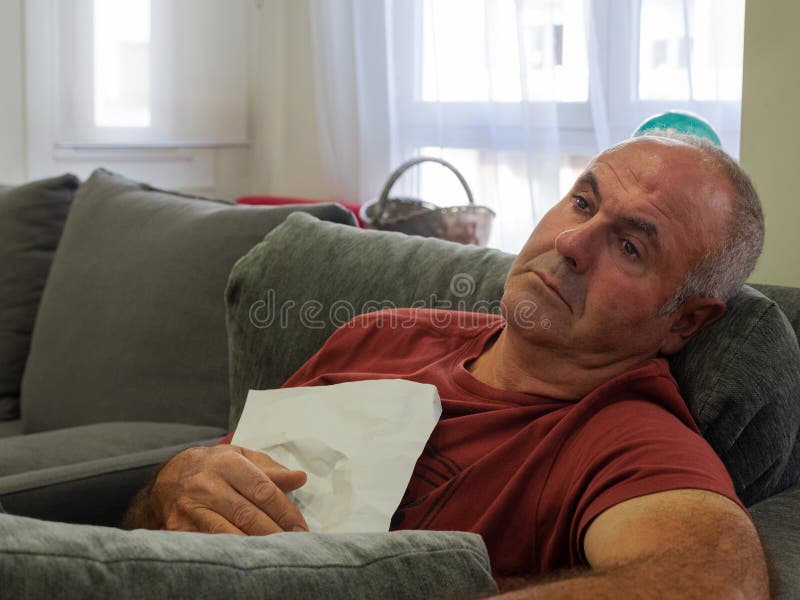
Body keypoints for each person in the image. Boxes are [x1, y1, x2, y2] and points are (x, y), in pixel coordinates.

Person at [123, 134, 769, 598]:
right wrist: (172, 484)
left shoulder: (620, 436)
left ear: (685, 321)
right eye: (581, 203)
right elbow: (161, 521)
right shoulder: (381, 334)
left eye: (629, 245)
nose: (572, 244)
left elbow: (718, 579)